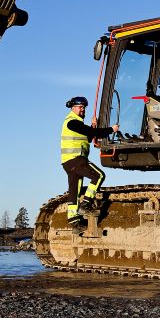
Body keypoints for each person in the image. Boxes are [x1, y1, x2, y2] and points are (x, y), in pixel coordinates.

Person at [61, 96, 119, 227]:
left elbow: (87, 137)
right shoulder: (72, 122)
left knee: (74, 191)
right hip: (75, 159)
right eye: (80, 107)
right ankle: (86, 204)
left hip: (68, 162)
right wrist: (111, 130)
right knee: (98, 176)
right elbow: (90, 132)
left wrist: (93, 126)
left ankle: (74, 223)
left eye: (84, 107)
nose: (82, 109)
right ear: (73, 108)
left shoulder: (76, 124)